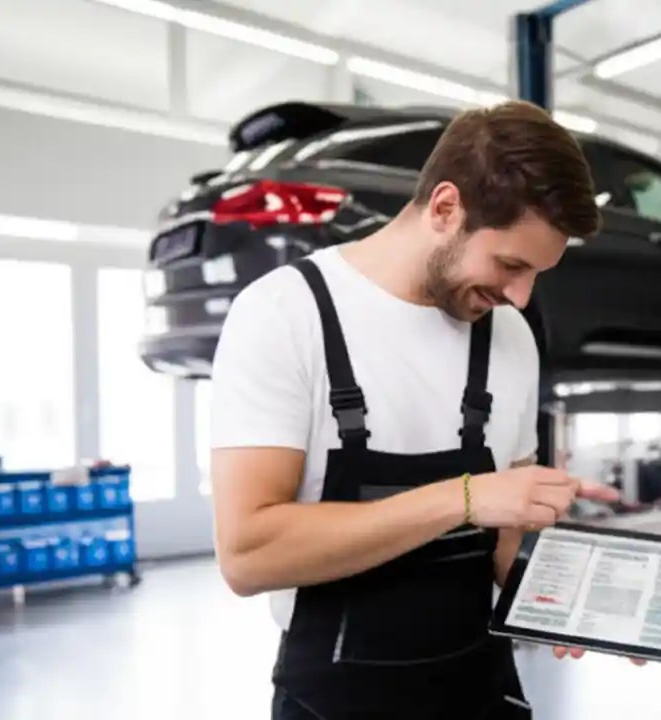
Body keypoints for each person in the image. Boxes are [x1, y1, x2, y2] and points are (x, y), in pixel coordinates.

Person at [208, 100, 619, 719]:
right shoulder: (285, 314)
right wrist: (464, 498)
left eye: (537, 273)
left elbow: (509, 540)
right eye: (510, 265)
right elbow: (248, 553)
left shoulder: (508, 336)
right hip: (336, 704)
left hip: (479, 694)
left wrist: (592, 604)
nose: (520, 295)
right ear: (446, 207)